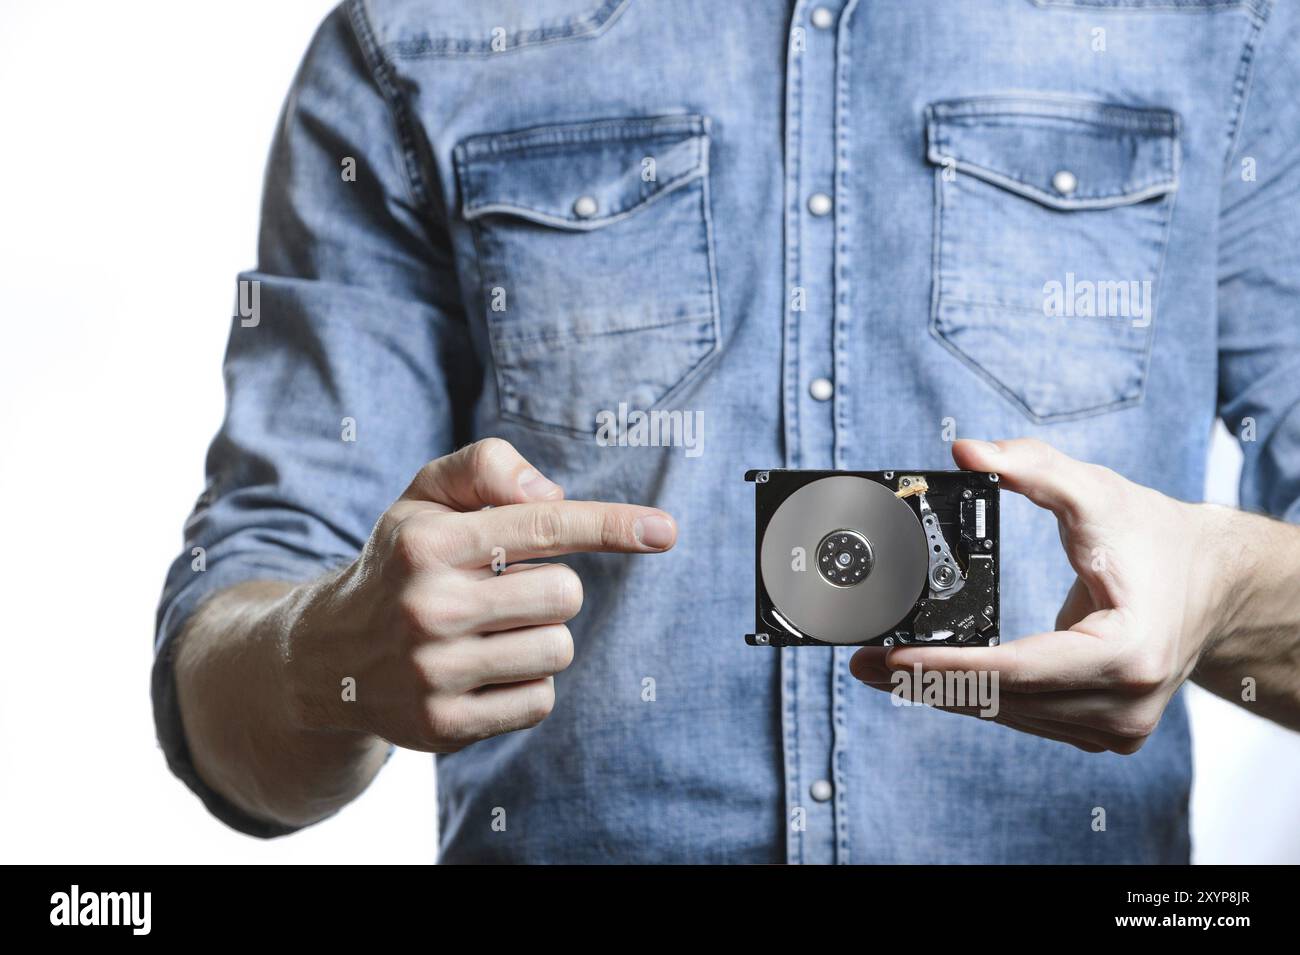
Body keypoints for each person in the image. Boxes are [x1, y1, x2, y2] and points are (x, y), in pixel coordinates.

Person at [154, 0, 1300, 863]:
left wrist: (1226, 590)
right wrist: (322, 662)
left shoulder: (1227, 29)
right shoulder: (416, 36)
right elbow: (231, 656)